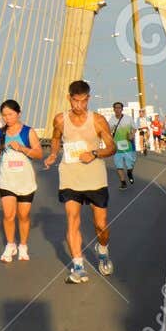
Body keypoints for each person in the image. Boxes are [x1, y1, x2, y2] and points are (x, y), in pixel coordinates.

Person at [45, 79, 116, 283]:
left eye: (84, 101)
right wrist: (52, 154)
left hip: (94, 176)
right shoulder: (60, 119)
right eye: (75, 101)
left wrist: (94, 153)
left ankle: (102, 250)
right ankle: (78, 267)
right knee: (72, 219)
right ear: (69, 98)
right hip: (70, 175)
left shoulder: (98, 120)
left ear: (88, 99)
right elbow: (56, 138)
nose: (79, 106)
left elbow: (112, 148)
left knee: (100, 225)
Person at [0, 99, 43, 261]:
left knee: (24, 216)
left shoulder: (28, 132)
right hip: (7, 179)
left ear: (18, 113)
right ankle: (10, 245)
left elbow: (39, 154)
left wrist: (22, 148)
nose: (7, 118)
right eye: (4, 115)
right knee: (8, 215)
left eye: (10, 114)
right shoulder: (0, 133)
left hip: (25, 181)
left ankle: (23, 245)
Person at [110, 100, 137, 191]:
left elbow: (134, 128)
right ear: (113, 109)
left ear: (122, 109)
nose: (117, 109)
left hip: (128, 146)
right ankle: (123, 182)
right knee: (119, 166)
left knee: (130, 164)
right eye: (116, 108)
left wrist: (132, 134)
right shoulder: (112, 119)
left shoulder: (128, 118)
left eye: (119, 108)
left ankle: (129, 172)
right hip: (117, 147)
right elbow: (108, 131)